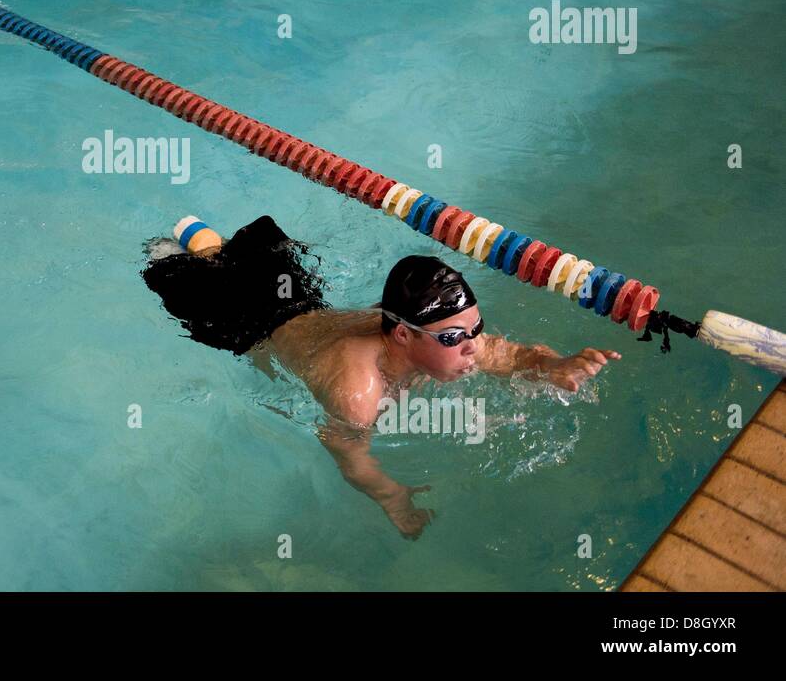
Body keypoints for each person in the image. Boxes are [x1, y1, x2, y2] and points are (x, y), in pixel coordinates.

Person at [142, 215, 619, 539]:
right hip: (251, 322)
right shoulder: (357, 393)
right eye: (454, 338)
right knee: (169, 264)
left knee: (238, 256)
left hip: (301, 304)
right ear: (403, 337)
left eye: (475, 328)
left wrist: (552, 365)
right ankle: (183, 251)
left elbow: (508, 354)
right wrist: (392, 497)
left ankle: (207, 244)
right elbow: (347, 453)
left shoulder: (422, 335)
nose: (473, 345)